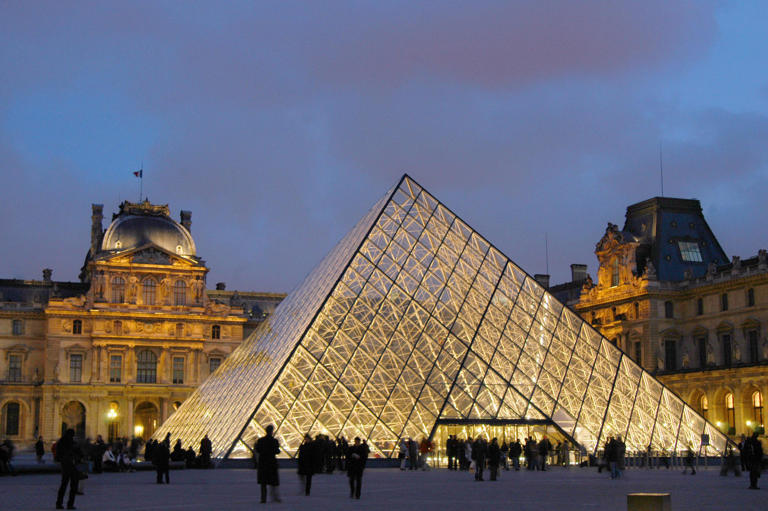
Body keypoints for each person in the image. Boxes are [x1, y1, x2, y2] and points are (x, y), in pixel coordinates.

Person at [55, 428, 80, 510]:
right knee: (73, 486)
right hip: (71, 466)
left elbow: (58, 455)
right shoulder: (72, 443)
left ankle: (59, 503)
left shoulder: (61, 442)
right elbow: (79, 453)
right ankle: (70, 504)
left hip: (64, 466)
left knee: (63, 485)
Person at [256, 425, 281, 503]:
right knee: (273, 482)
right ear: (272, 431)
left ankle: (263, 499)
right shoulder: (274, 441)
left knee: (263, 483)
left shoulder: (260, 441)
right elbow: (277, 451)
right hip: (271, 463)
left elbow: (257, 450)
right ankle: (275, 497)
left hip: (263, 463)